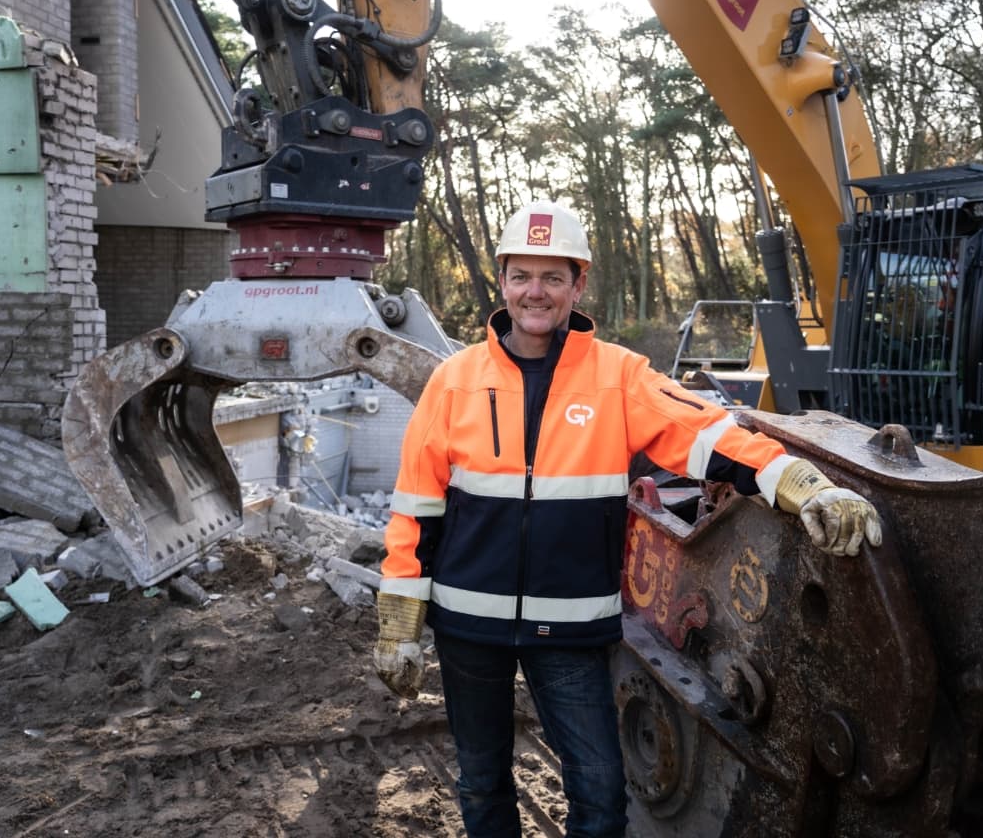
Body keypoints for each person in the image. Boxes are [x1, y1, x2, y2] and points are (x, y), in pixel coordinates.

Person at [372, 200, 882, 837]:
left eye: (553, 277)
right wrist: (398, 622)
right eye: (522, 275)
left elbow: (709, 436)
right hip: (468, 625)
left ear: (577, 284)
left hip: (572, 631)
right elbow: (416, 508)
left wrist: (799, 484)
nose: (536, 292)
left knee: (599, 791)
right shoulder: (453, 382)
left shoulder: (618, 377)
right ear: (502, 281)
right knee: (481, 781)